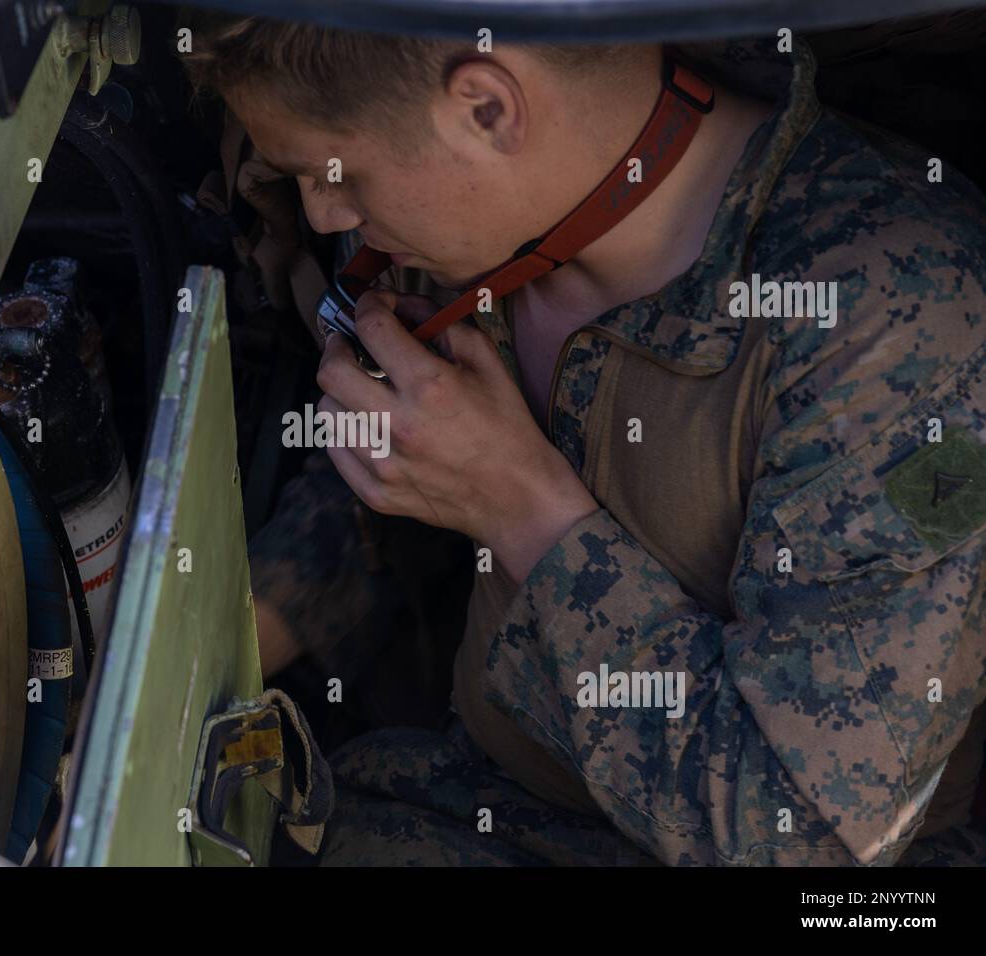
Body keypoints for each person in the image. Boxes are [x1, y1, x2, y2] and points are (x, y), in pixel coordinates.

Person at [180, 14, 986, 865]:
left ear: (488, 109)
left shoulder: (906, 322)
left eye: (332, 174)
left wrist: (523, 512)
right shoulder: (473, 222)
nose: (323, 209)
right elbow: (389, 492)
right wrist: (198, 667)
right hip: (443, 795)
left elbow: (798, 837)